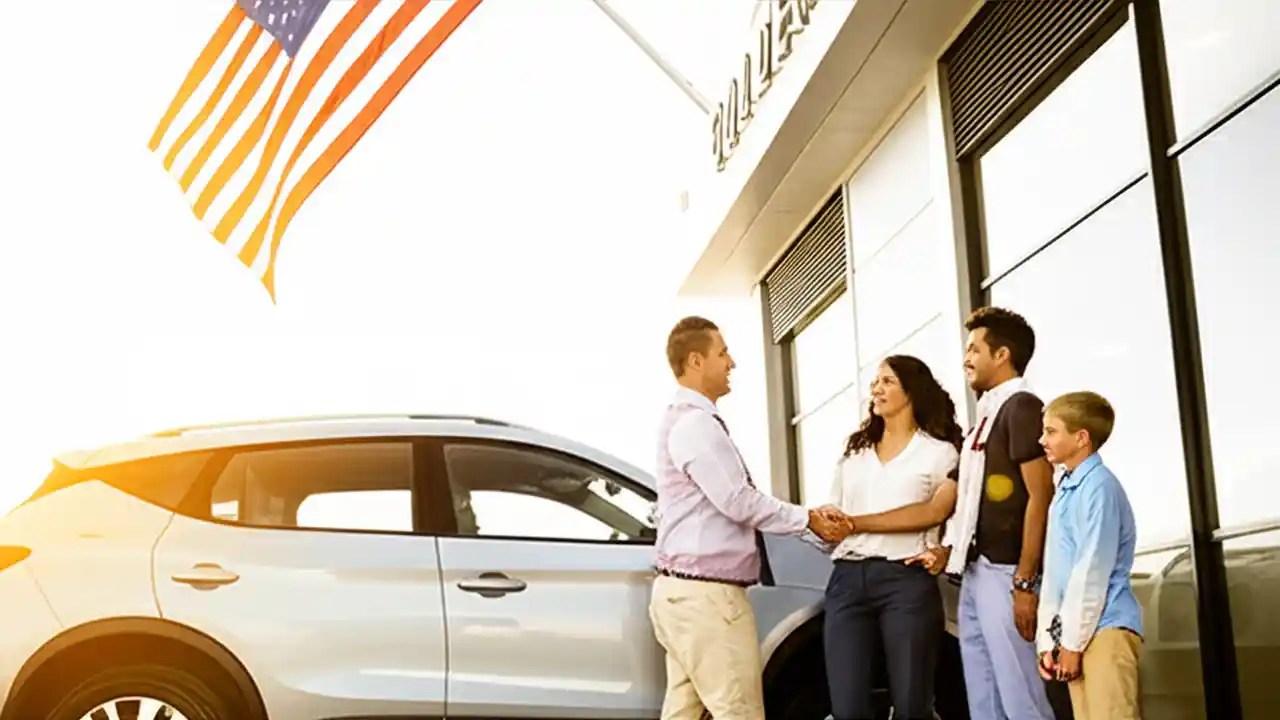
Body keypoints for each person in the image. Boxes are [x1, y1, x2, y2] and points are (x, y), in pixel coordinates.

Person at [649, 316, 844, 720]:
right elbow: (737, 500)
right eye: (722, 353)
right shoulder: (695, 425)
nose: (732, 362)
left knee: (685, 714)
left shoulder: (685, 421)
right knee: (740, 713)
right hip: (708, 599)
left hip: (688, 596)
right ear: (696, 361)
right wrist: (808, 519)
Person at [912, 306, 1059, 719]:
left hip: (1006, 574)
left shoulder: (1023, 407)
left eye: (975, 349)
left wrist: (1025, 583)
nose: (966, 358)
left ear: (1003, 355)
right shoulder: (985, 418)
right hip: (974, 574)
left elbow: (1040, 497)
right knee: (984, 701)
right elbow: (962, 502)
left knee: (1021, 697)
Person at [817, 355, 962, 720]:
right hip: (847, 581)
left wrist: (854, 523)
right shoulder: (855, 451)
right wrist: (828, 522)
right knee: (847, 709)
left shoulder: (939, 452)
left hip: (906, 580)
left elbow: (935, 512)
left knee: (913, 706)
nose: (876, 389)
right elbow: (835, 513)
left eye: (887, 381)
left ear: (911, 390)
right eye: (875, 382)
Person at [1036, 391, 1143, 720]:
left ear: (1081, 438)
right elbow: (1055, 573)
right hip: (1079, 634)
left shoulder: (1100, 487)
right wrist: (1048, 639)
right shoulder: (1068, 488)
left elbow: (1092, 570)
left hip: (1105, 629)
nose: (1042, 439)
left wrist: (1070, 642)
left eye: (1051, 431)